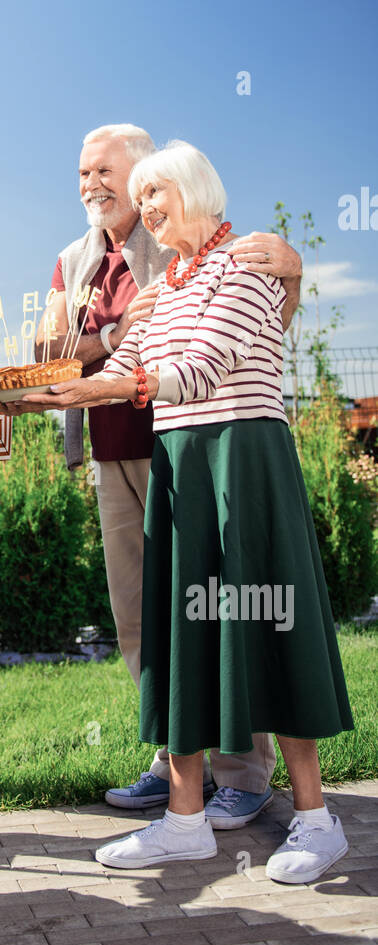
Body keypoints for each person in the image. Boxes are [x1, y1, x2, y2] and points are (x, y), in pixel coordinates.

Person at [25, 140, 353, 882]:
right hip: (182, 466)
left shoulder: (246, 266)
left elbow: (196, 370)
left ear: (196, 189)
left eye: (156, 193)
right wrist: (47, 391)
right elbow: (118, 362)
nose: (145, 208)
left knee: (269, 626)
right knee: (183, 638)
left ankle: (314, 819)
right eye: (139, 198)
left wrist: (102, 390)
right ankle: (183, 822)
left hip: (244, 463)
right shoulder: (166, 284)